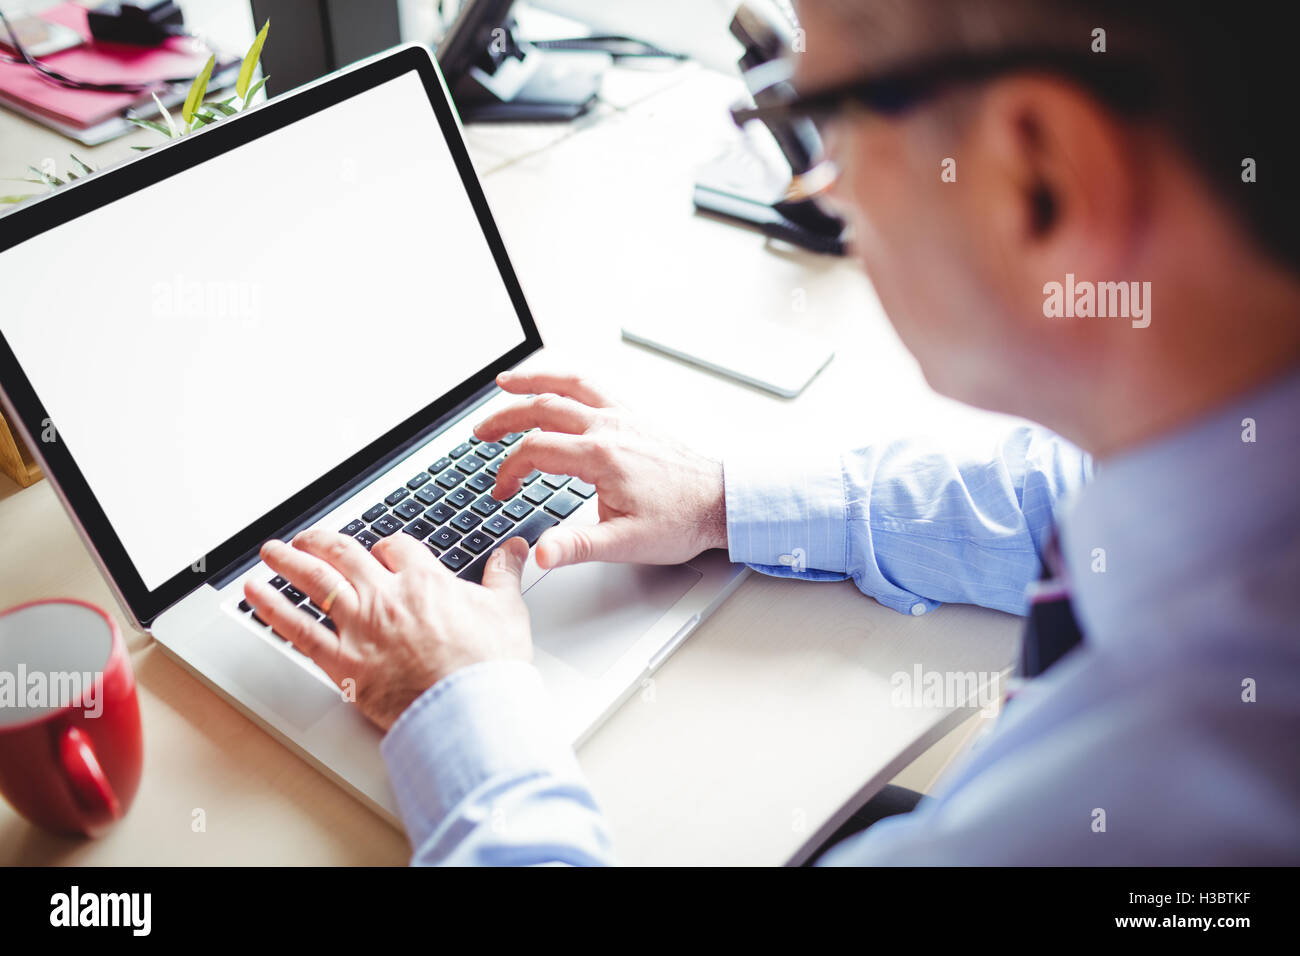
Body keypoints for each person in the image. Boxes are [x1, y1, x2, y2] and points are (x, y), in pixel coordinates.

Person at [243, 0, 1300, 865]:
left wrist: (459, 706)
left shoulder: (1173, 792)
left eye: (812, 116)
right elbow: (1055, 494)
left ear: (1041, 176)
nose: (824, 193)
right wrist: (723, 495)